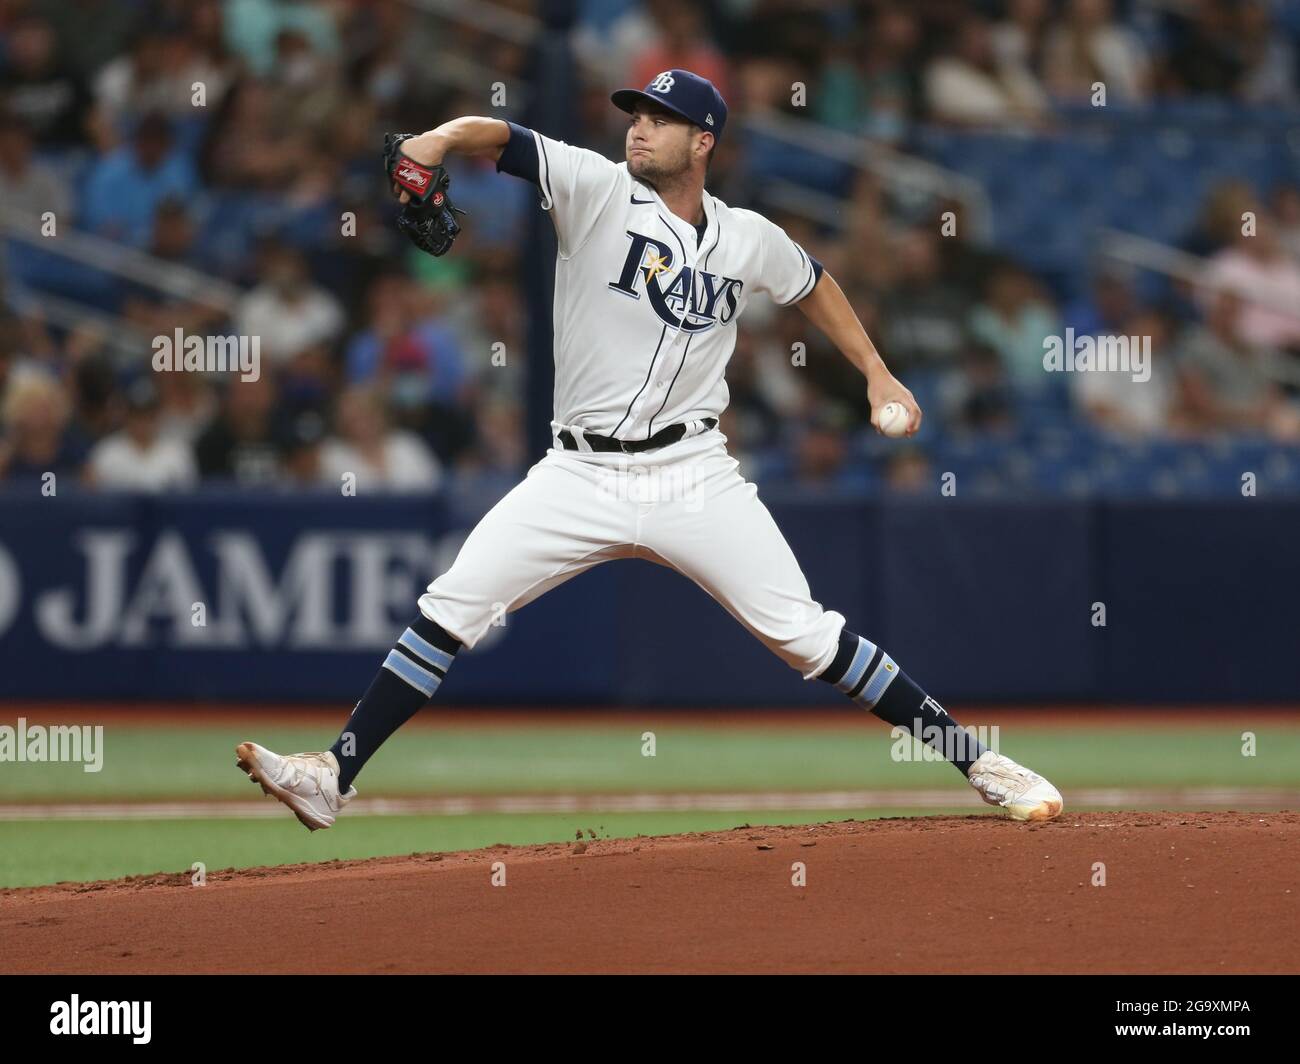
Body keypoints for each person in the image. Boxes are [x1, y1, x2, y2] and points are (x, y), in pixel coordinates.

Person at [236, 70, 1063, 830]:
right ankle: (331, 778)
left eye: (662, 120)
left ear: (703, 142)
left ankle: (982, 763)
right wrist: (439, 141)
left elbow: (815, 284)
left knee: (810, 637)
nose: (639, 128)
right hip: (577, 472)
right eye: (636, 113)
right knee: (450, 606)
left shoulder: (746, 238)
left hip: (692, 473)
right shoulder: (594, 190)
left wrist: (880, 375)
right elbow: (504, 138)